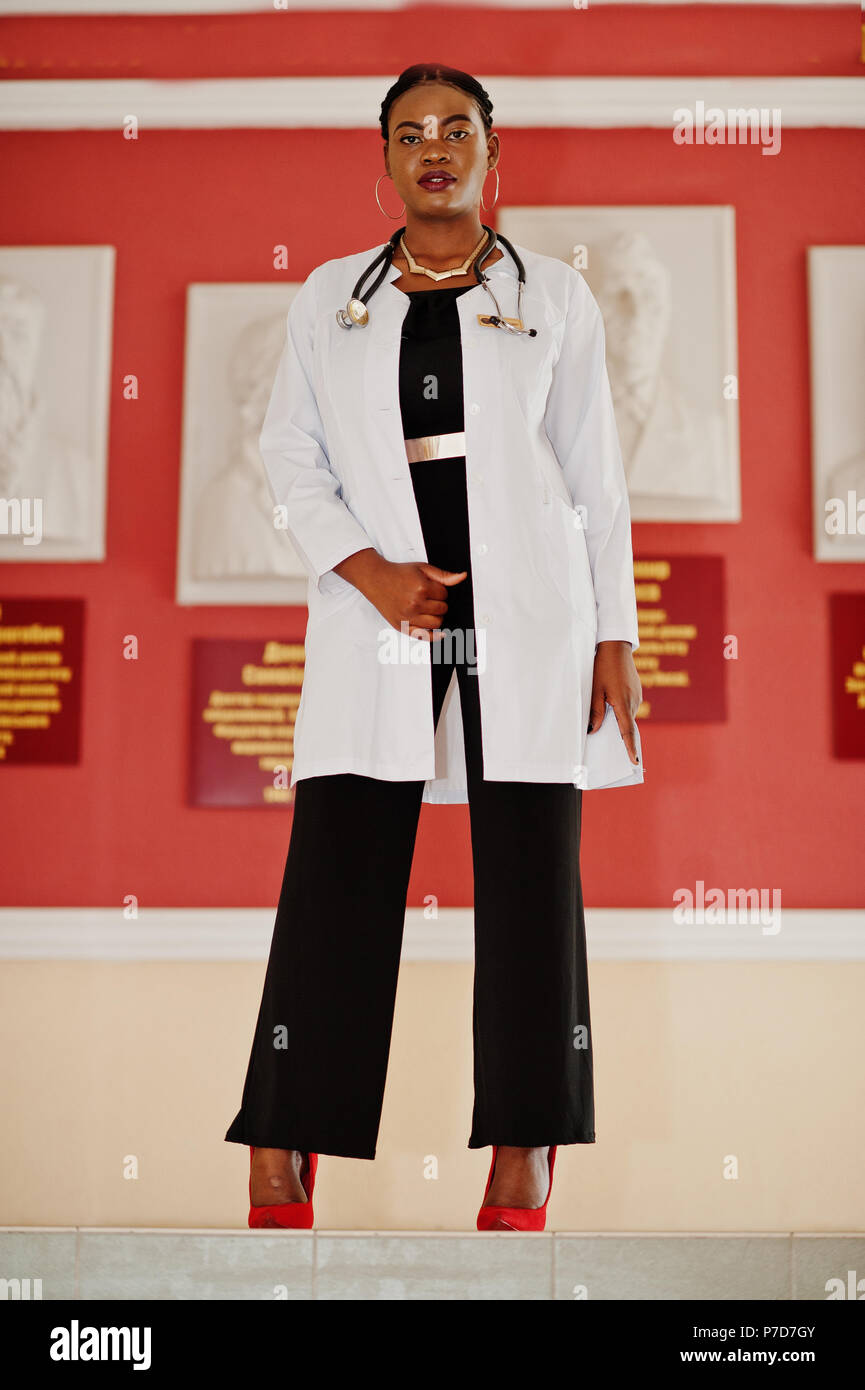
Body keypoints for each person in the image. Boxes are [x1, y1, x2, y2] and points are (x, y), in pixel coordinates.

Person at [225, 63, 642, 1232]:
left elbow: (594, 480)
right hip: (377, 619)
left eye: (456, 129)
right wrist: (371, 573)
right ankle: (283, 1138)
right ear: (385, 168)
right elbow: (292, 461)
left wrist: (613, 630)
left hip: (531, 616)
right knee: (336, 869)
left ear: (492, 154)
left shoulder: (554, 295)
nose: (434, 148)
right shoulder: (325, 300)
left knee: (529, 878)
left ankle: (524, 1146)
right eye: (410, 134)